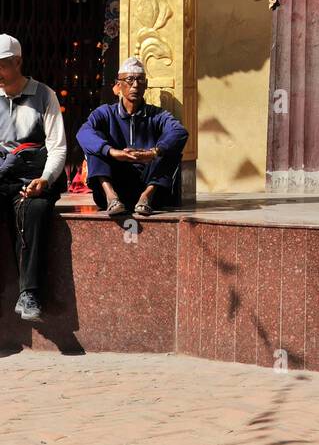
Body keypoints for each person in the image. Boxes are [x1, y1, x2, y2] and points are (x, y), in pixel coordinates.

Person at [0, 34, 67, 322]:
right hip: (3, 177)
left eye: (2, 65)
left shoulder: (44, 96)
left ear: (18, 61)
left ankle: (30, 293)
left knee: (35, 212)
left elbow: (58, 147)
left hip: (35, 179)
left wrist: (46, 179)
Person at [76, 58, 188, 217]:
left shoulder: (156, 115)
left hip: (151, 191)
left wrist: (153, 152)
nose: (135, 85)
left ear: (146, 84)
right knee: (95, 145)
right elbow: (83, 133)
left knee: (170, 150)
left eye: (140, 80)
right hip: (114, 185)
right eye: (129, 80)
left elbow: (179, 132)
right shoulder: (106, 113)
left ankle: (145, 197)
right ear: (118, 84)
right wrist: (112, 152)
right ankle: (111, 197)